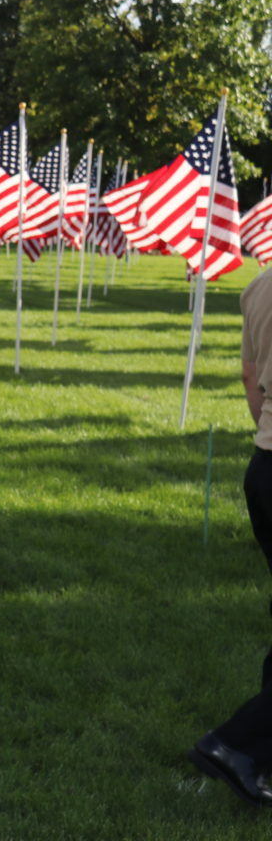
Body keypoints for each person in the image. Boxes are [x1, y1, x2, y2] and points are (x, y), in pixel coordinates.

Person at [189, 264, 272, 806]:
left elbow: (249, 374)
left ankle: (260, 751)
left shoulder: (259, 286)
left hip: (265, 464)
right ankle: (231, 743)